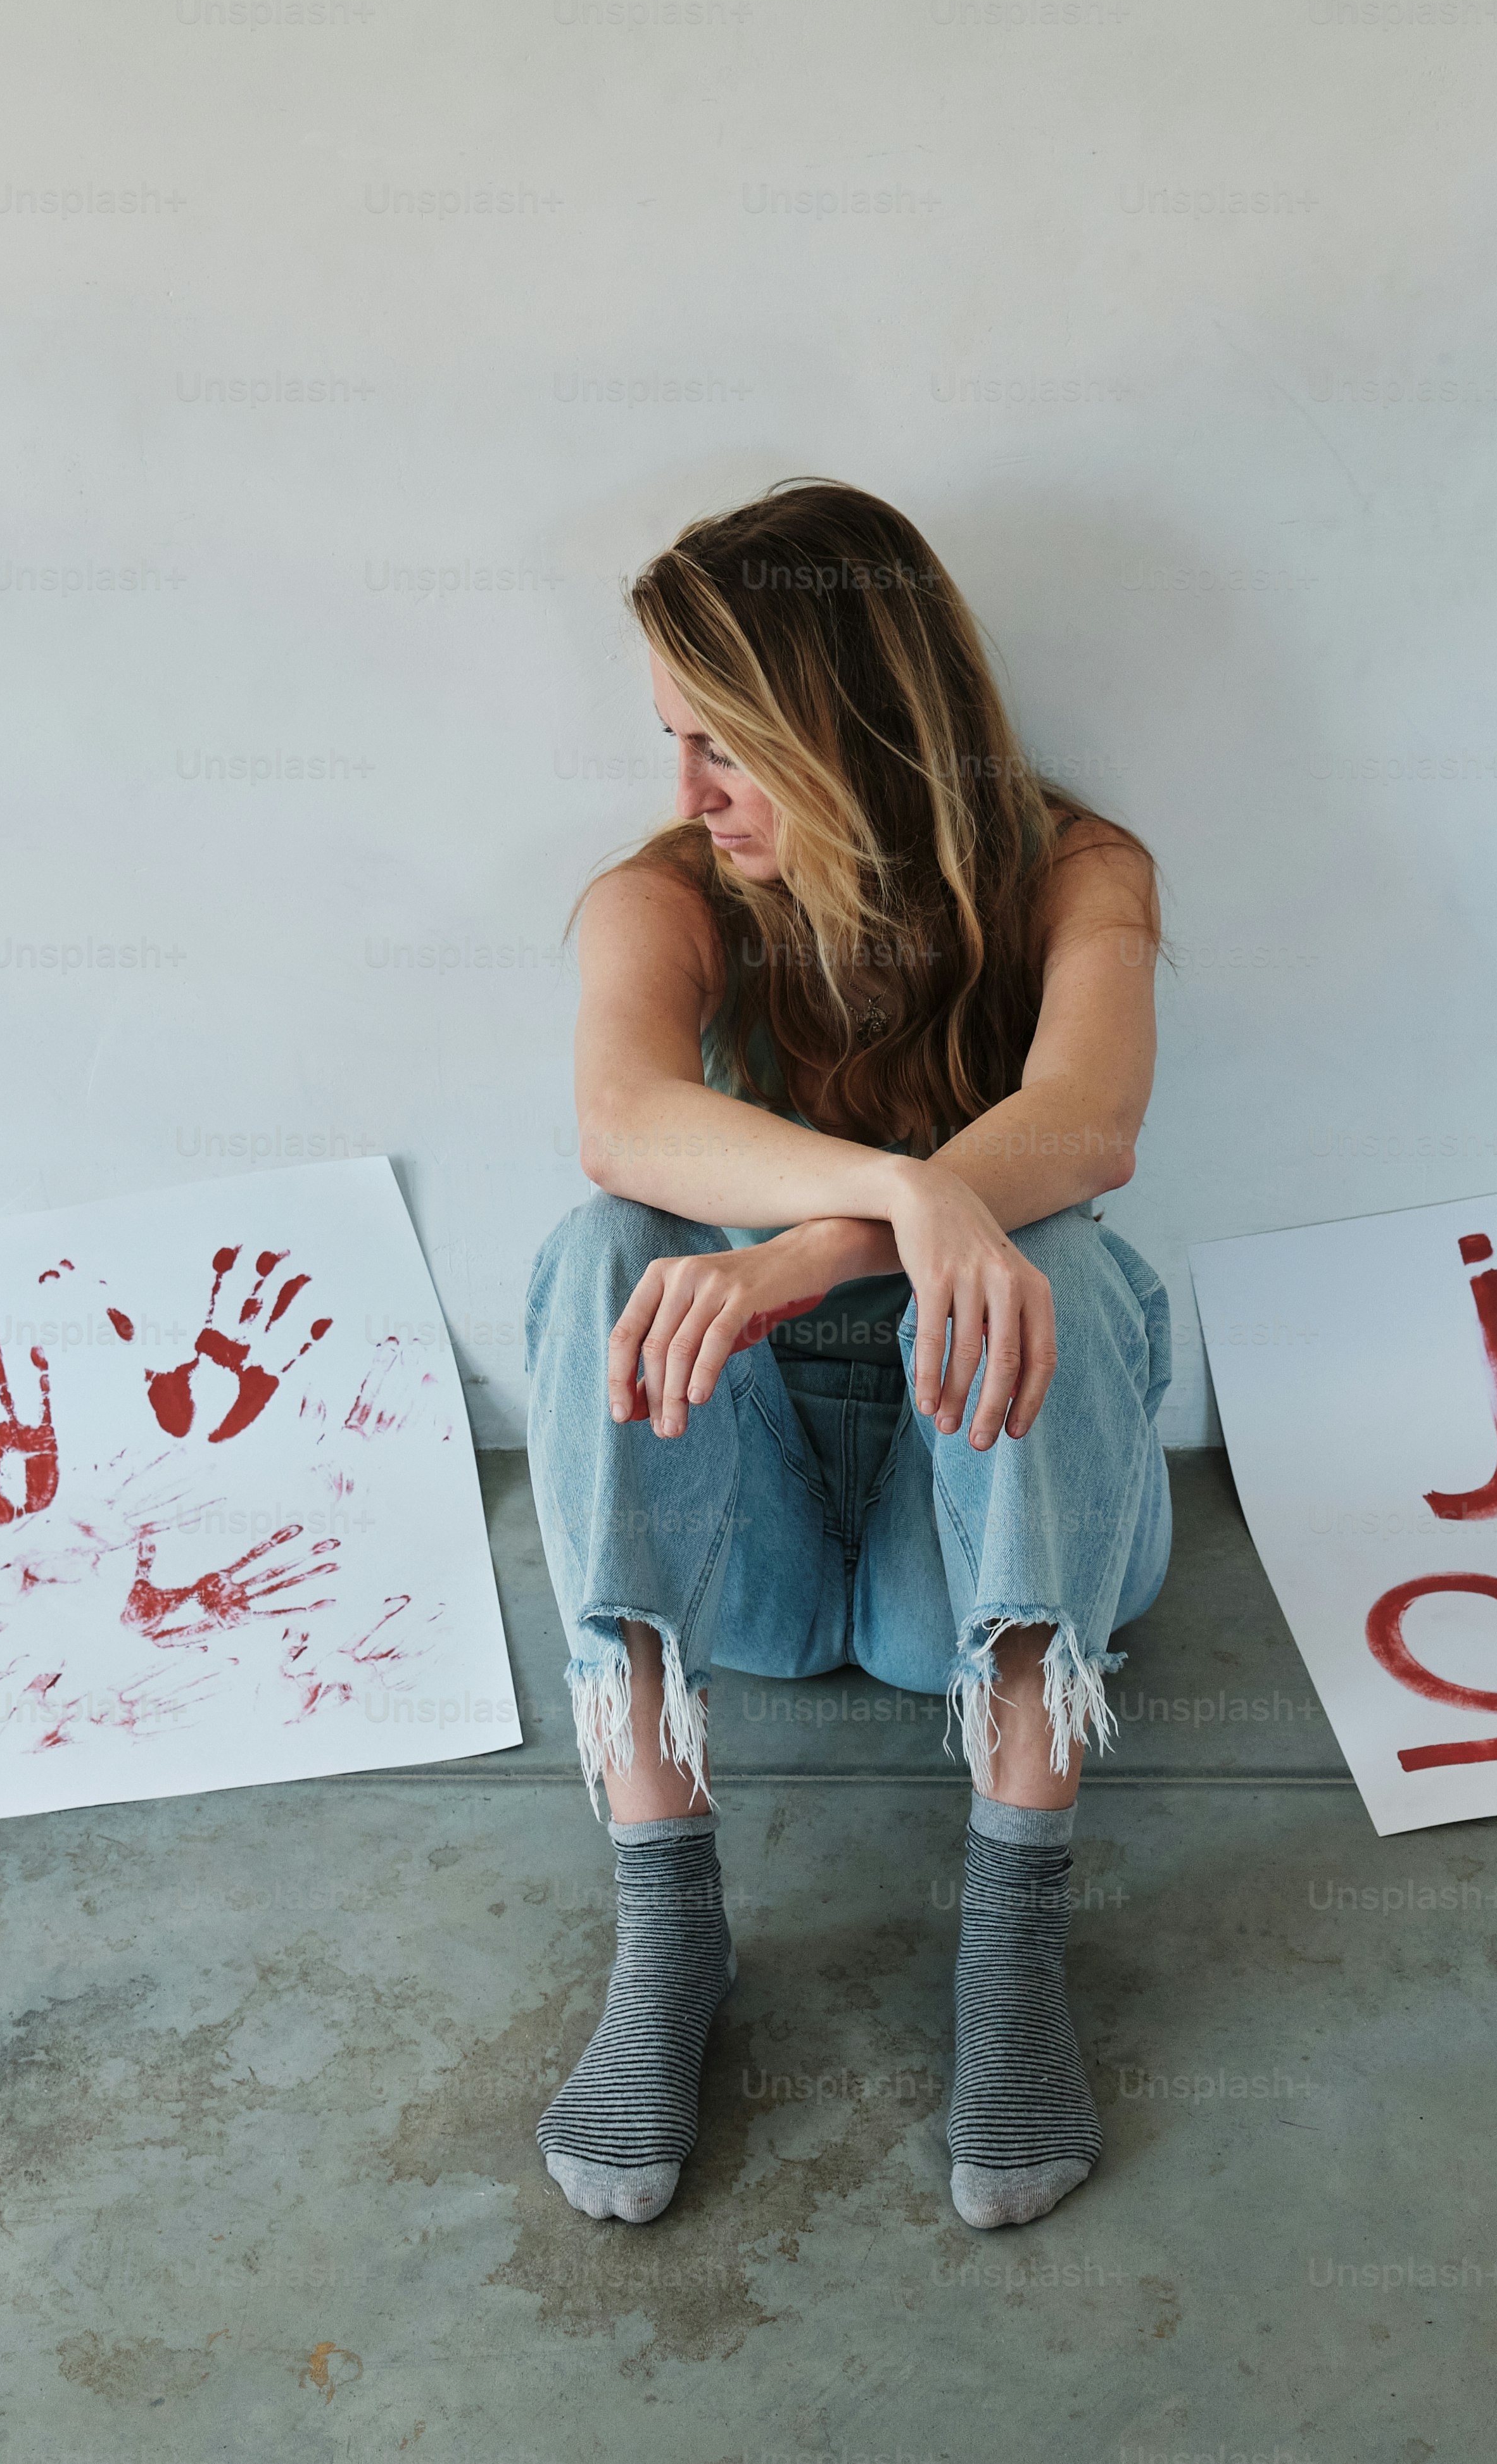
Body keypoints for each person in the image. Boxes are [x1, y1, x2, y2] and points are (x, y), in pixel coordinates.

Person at [522, 478, 1175, 2232]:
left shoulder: (1075, 871)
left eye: (724, 745)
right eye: (670, 740)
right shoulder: (658, 900)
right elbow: (622, 1121)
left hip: (981, 1510)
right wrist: (898, 1187)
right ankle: (668, 1933)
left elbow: (1086, 1123)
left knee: (1057, 1256)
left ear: (845, 725)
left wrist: (820, 1244)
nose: (686, 792)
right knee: (602, 1256)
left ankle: (1011, 1952)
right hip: (761, 1518)